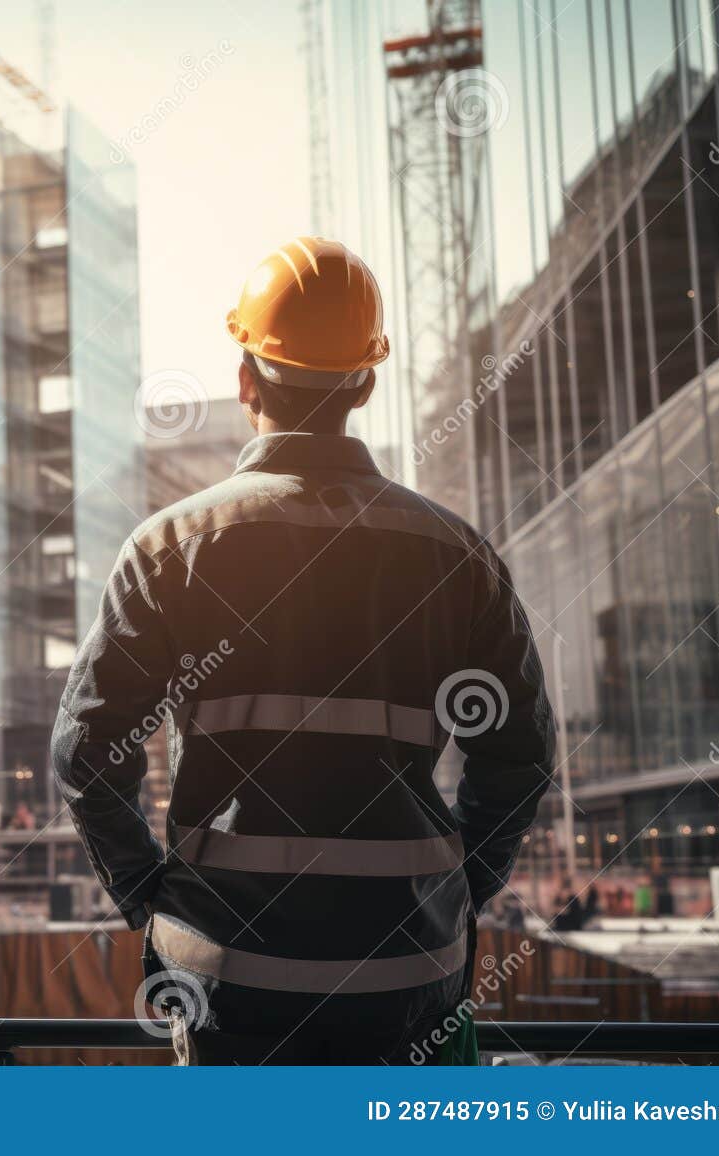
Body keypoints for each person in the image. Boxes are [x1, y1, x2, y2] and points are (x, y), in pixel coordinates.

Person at [52, 237, 554, 1065]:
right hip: (407, 971)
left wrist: (148, 895)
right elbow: (522, 753)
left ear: (246, 381)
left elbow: (85, 750)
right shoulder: (457, 555)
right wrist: (456, 890)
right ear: (366, 383)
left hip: (228, 979)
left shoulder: (169, 547)